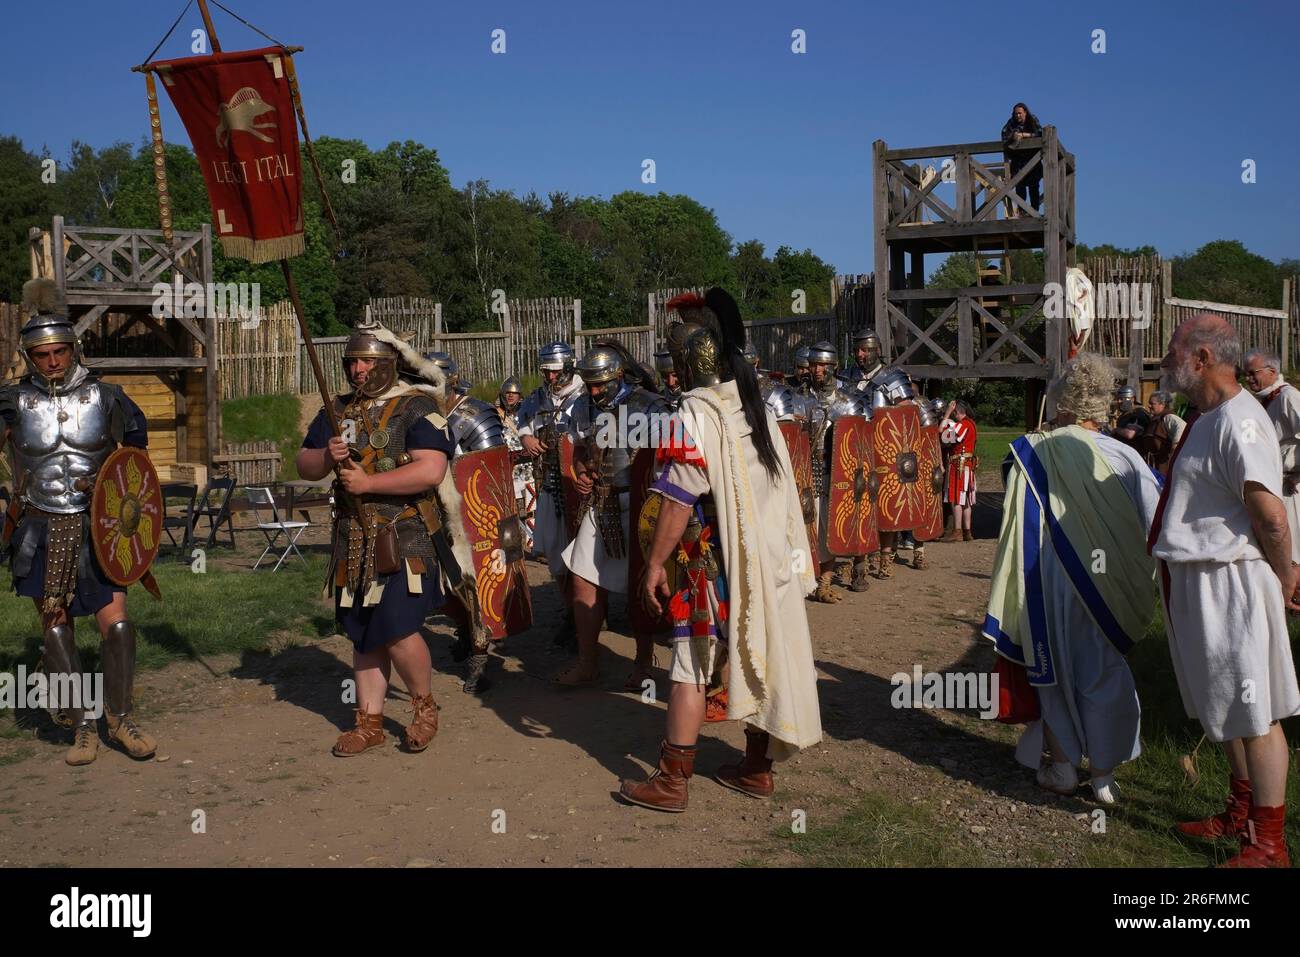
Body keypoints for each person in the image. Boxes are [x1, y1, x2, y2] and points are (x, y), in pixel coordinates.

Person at [619, 288, 821, 812]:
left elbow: (678, 499)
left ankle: (671, 779)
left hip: (709, 567)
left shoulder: (694, 413)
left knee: (691, 662)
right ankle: (755, 770)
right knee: (759, 653)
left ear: (686, 362)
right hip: (763, 562)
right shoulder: (756, 407)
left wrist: (655, 564)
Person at [1151, 314, 1299, 867]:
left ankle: (1269, 844)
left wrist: (1285, 574)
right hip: (1204, 577)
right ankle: (1241, 812)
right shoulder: (1209, 418)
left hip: (1233, 579)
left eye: (1172, 353)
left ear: (1203, 358)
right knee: (1228, 704)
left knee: (1256, 711)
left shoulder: (1241, 421)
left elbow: (1272, 516)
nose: (1166, 364)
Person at [985, 352, 1160, 804]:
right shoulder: (1126, 457)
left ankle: (1063, 766)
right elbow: (1154, 520)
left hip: (1049, 580)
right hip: (1110, 584)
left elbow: (1017, 509)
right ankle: (1103, 775)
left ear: (1063, 402)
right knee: (1103, 671)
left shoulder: (1034, 450)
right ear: (1104, 406)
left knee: (1053, 670)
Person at [0, 279, 157, 766]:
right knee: (55, 632)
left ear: (73, 349)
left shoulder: (109, 397)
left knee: (119, 626)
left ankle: (121, 719)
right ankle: (82, 727)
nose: (53, 361)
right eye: (43, 354)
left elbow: (136, 461)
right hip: (41, 526)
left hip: (99, 528)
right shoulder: (10, 402)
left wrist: (110, 487)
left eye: (60, 351)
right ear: (30, 356)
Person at [296, 322, 455, 756]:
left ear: (388, 364)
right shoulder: (337, 410)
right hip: (352, 537)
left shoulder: (417, 407)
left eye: (366, 361)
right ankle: (368, 722)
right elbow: (304, 463)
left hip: (403, 534)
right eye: (351, 362)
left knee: (397, 627)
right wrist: (325, 456)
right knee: (363, 632)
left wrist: (369, 484)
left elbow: (431, 469)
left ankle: (424, 708)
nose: (357, 369)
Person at [554, 344, 669, 689]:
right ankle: (587, 661)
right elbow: (577, 449)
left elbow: (667, 460)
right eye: (588, 383)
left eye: (600, 384)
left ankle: (644, 663)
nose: (593, 391)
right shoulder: (583, 406)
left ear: (618, 376)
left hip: (641, 505)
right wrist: (580, 470)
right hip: (601, 502)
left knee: (640, 585)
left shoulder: (649, 405)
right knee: (582, 577)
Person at [516, 343, 585, 647]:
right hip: (549, 484)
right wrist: (527, 437)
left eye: (555, 371)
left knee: (584, 554)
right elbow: (522, 424)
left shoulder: (585, 395)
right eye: (546, 371)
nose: (550, 377)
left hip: (581, 487)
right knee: (556, 554)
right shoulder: (538, 398)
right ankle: (571, 611)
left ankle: (590, 611)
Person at [805, 342, 870, 599]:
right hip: (809, 470)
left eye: (821, 365)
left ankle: (842, 573)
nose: (816, 369)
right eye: (813, 364)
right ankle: (816, 579)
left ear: (833, 367)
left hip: (838, 472)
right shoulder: (800, 400)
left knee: (838, 525)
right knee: (813, 528)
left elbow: (861, 448)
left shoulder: (849, 404)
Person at [1244, 348, 1300, 562]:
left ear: (1272, 371)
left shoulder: (1289, 397)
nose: (1248, 378)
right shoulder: (1267, 402)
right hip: (1277, 484)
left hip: (1292, 487)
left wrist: (1298, 475)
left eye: (1253, 373)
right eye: (1246, 374)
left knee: (1293, 548)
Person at [496, 375, 535, 556]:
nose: (511, 397)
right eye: (508, 393)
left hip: (527, 470)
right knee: (508, 510)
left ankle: (534, 547)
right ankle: (511, 547)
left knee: (531, 509)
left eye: (514, 393)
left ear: (520, 395)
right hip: (507, 470)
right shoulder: (494, 414)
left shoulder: (528, 413)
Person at [940, 400, 978, 542]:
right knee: (966, 499)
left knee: (957, 498)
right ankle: (967, 532)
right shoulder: (972, 424)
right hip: (967, 464)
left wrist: (947, 415)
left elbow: (943, 435)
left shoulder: (964, 424)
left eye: (955, 413)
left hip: (959, 466)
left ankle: (957, 531)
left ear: (958, 411)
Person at [1000, 102, 1044, 214]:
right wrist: (1013, 136)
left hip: (1033, 159)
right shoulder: (1011, 122)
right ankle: (1022, 211)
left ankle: (1034, 212)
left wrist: (1025, 135)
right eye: (1016, 114)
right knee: (1020, 186)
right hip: (1018, 160)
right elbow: (1004, 135)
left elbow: (1041, 134)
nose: (1018, 116)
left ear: (1025, 112)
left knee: (1034, 187)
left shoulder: (1032, 120)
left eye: (1020, 113)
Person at [1138, 389, 1186, 476]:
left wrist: (1175, 445)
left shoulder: (1169, 417)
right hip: (1152, 464)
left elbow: (1182, 427)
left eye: (1152, 403)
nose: (1149, 406)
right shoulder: (1155, 419)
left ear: (1162, 404)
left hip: (1164, 465)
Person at [839, 331, 885, 396]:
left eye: (864, 350)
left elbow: (902, 405)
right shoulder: (847, 374)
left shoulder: (890, 377)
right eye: (857, 350)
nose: (859, 354)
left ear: (877, 350)